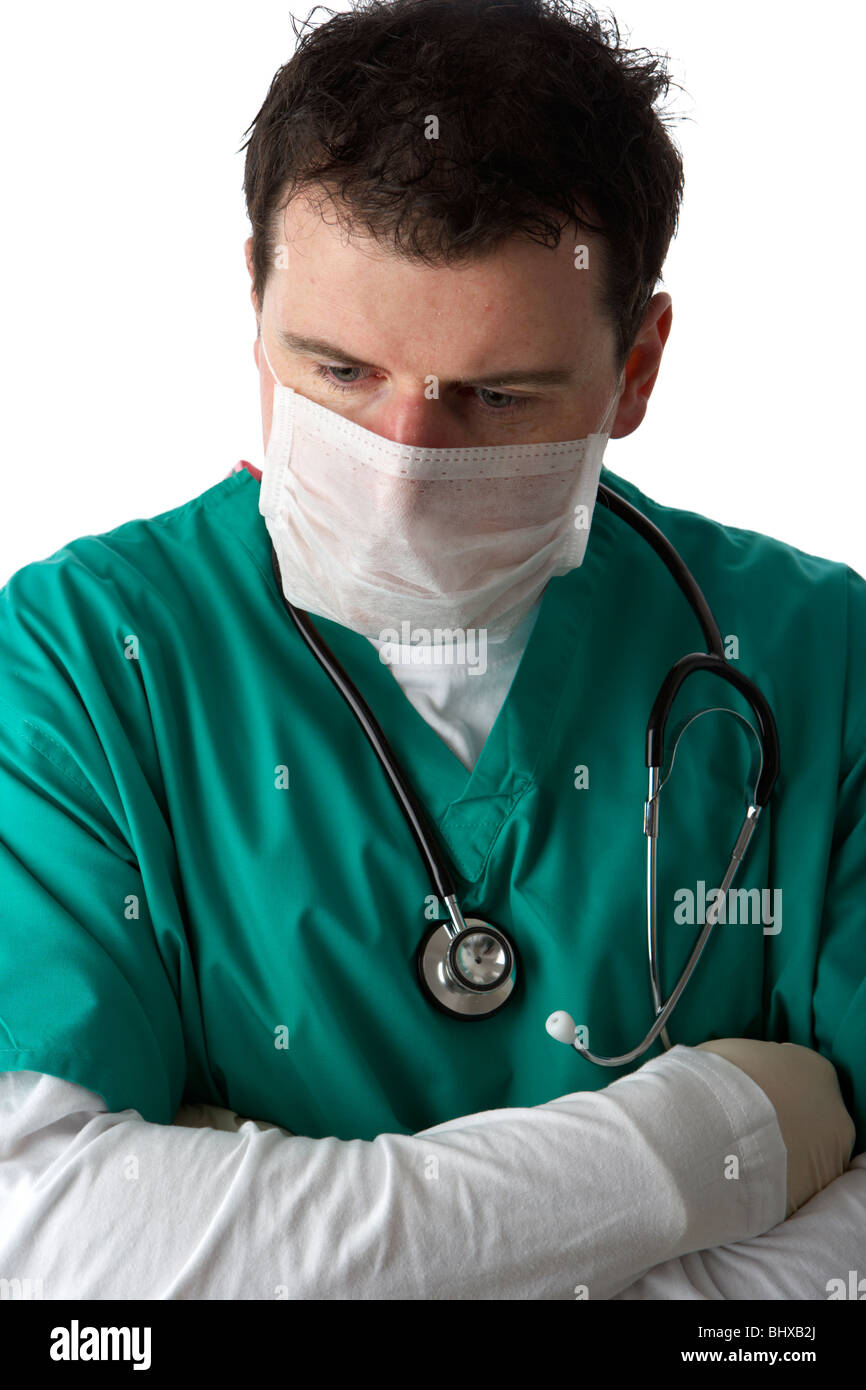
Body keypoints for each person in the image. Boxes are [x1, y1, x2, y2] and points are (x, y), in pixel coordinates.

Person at [0, 0, 863, 1301]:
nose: (403, 470)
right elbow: (46, 1233)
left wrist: (268, 1242)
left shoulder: (821, 660)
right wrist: (701, 1147)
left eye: (498, 397)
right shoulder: (78, 662)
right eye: (337, 370)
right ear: (253, 302)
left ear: (634, 369)